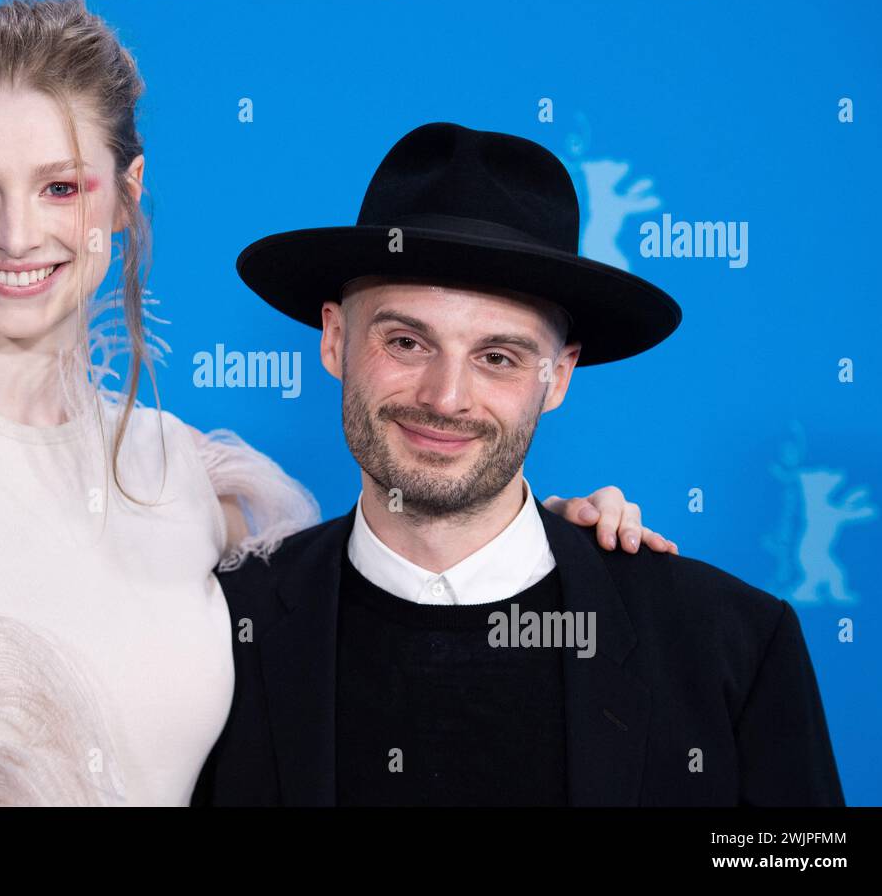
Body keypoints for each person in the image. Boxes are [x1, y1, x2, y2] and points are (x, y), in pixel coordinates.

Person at [0, 0, 672, 807]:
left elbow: (402, 604)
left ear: (127, 192)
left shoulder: (196, 482)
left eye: (61, 186)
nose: (15, 235)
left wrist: (562, 551)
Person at [194, 122, 846, 806]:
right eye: (407, 341)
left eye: (497, 357)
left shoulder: (727, 643)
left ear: (557, 378)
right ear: (335, 339)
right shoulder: (219, 624)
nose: (445, 398)